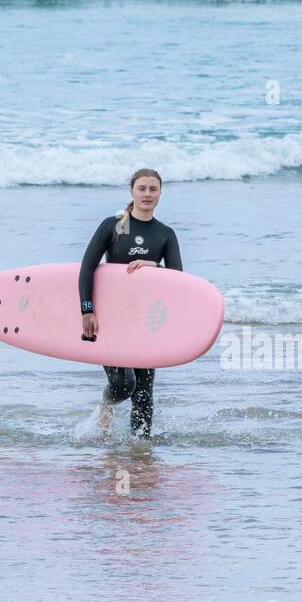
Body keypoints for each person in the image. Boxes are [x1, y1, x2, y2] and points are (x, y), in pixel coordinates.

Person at [78, 168, 182, 438]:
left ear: (160, 193)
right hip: (112, 319)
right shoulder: (112, 226)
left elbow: (178, 280)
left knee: (144, 394)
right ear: (132, 191)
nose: (147, 194)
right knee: (124, 383)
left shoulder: (165, 234)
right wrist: (87, 310)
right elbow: (87, 268)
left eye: (153, 189)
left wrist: (153, 265)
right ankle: (106, 406)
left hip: (146, 321)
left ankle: (141, 454)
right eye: (142, 188)